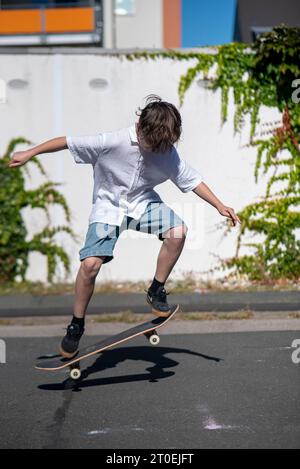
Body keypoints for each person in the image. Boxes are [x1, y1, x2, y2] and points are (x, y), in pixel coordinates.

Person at [8, 94, 241, 358]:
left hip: (143, 205)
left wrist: (220, 205)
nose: (155, 149)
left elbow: (192, 180)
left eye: (160, 145)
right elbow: (66, 141)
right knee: (90, 265)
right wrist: (30, 152)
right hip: (108, 209)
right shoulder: (111, 141)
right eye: (151, 143)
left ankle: (156, 289)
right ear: (140, 126)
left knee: (178, 232)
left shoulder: (167, 151)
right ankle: (76, 324)